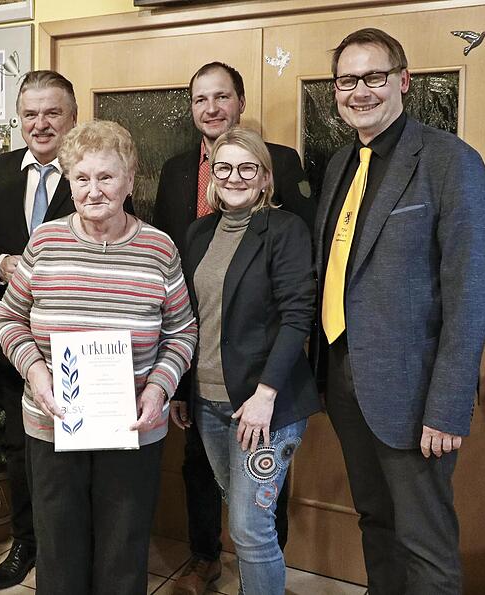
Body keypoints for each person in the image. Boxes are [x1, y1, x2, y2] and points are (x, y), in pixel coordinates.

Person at [315, 28, 485, 594]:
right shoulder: (340, 161)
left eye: (373, 77)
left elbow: (470, 291)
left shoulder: (450, 160)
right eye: (347, 80)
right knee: (375, 521)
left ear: (403, 81)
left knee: (425, 539)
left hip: (414, 396)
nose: (359, 91)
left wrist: (445, 406)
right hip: (343, 380)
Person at [0, 120, 198, 595]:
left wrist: (159, 388)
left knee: (122, 551)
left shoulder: (158, 247)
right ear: (68, 181)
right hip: (51, 422)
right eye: (81, 178)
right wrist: (37, 372)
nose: (93, 190)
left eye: (106, 177)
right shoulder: (44, 242)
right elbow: (9, 317)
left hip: (133, 427)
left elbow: (183, 330)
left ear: (130, 180)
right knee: (59, 551)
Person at [153, 61, 316, 595]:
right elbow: (186, 319)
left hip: (263, 406)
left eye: (248, 170)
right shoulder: (199, 233)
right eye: (224, 170)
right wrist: (179, 390)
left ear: (267, 178)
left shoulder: (285, 229)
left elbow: (298, 315)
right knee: (243, 516)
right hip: (209, 406)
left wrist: (267, 394)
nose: (235, 179)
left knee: (249, 530)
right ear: (212, 177)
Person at [0, 70, 77, 590]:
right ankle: (27, 542)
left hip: (77, 342)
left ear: (72, 117)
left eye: (52, 112)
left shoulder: (89, 171)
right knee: (19, 450)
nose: (41, 123)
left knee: (73, 450)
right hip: (13, 342)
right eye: (31, 113)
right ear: (19, 118)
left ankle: (71, 547)